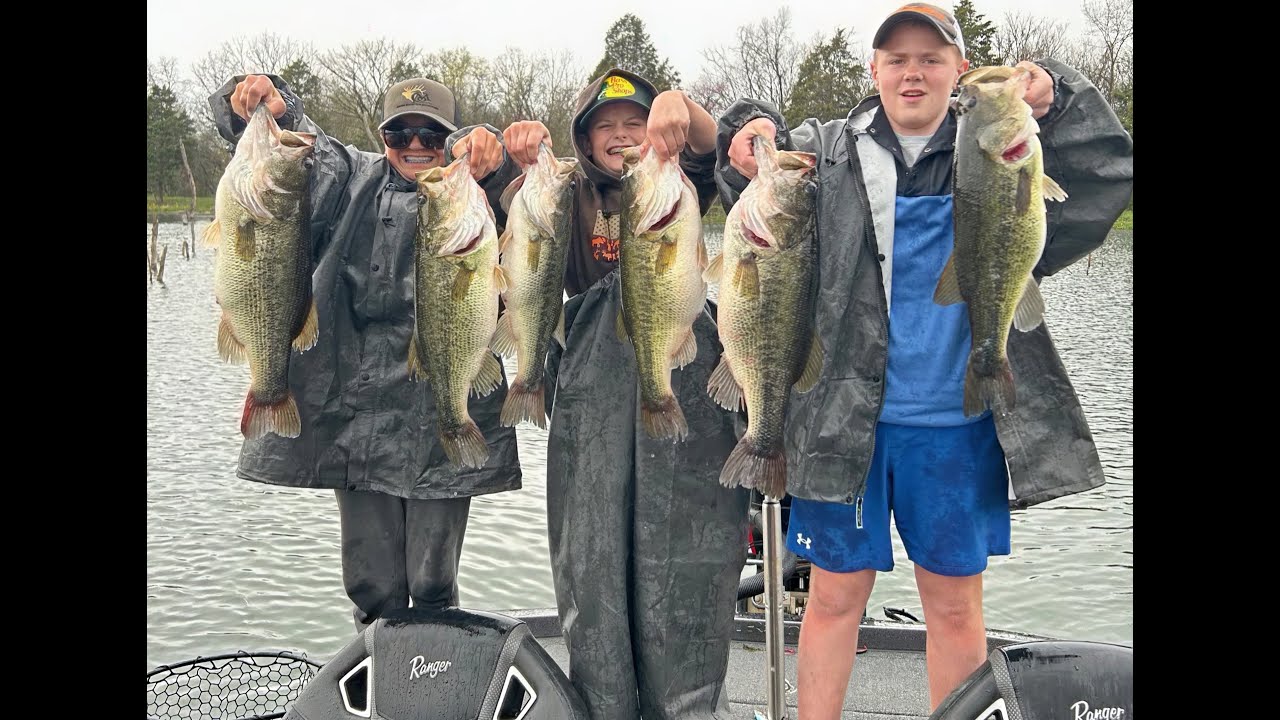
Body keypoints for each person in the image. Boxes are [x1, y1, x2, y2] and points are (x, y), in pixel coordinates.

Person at [715, 3, 1133, 716]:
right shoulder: (828, 151)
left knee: (954, 606)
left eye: (931, 59)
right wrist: (746, 128)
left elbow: (1104, 175)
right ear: (874, 70)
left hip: (955, 424)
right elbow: (752, 169)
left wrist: (1060, 96)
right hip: (846, 422)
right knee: (833, 596)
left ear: (959, 71)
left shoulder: (1008, 153)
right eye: (897, 59)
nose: (913, 73)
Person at [207, 74, 523, 632]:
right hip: (354, 417)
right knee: (370, 581)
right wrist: (275, 110)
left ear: (450, 139)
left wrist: (491, 155)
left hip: (438, 412)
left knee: (432, 580)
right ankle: (378, 666)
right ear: (382, 138)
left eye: (432, 135)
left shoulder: (471, 194)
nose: (416, 145)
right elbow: (309, 156)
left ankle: (434, 664)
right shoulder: (350, 177)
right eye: (400, 133)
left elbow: (515, 186)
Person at [500, 69, 750, 719]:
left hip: (683, 389)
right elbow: (506, 218)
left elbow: (710, 142)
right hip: (592, 398)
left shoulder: (677, 179)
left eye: (634, 123)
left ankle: (689, 707)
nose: (621, 136)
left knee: (686, 559)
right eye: (604, 126)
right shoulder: (563, 195)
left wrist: (682, 107)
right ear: (584, 142)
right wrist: (521, 153)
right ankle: (604, 705)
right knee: (594, 562)